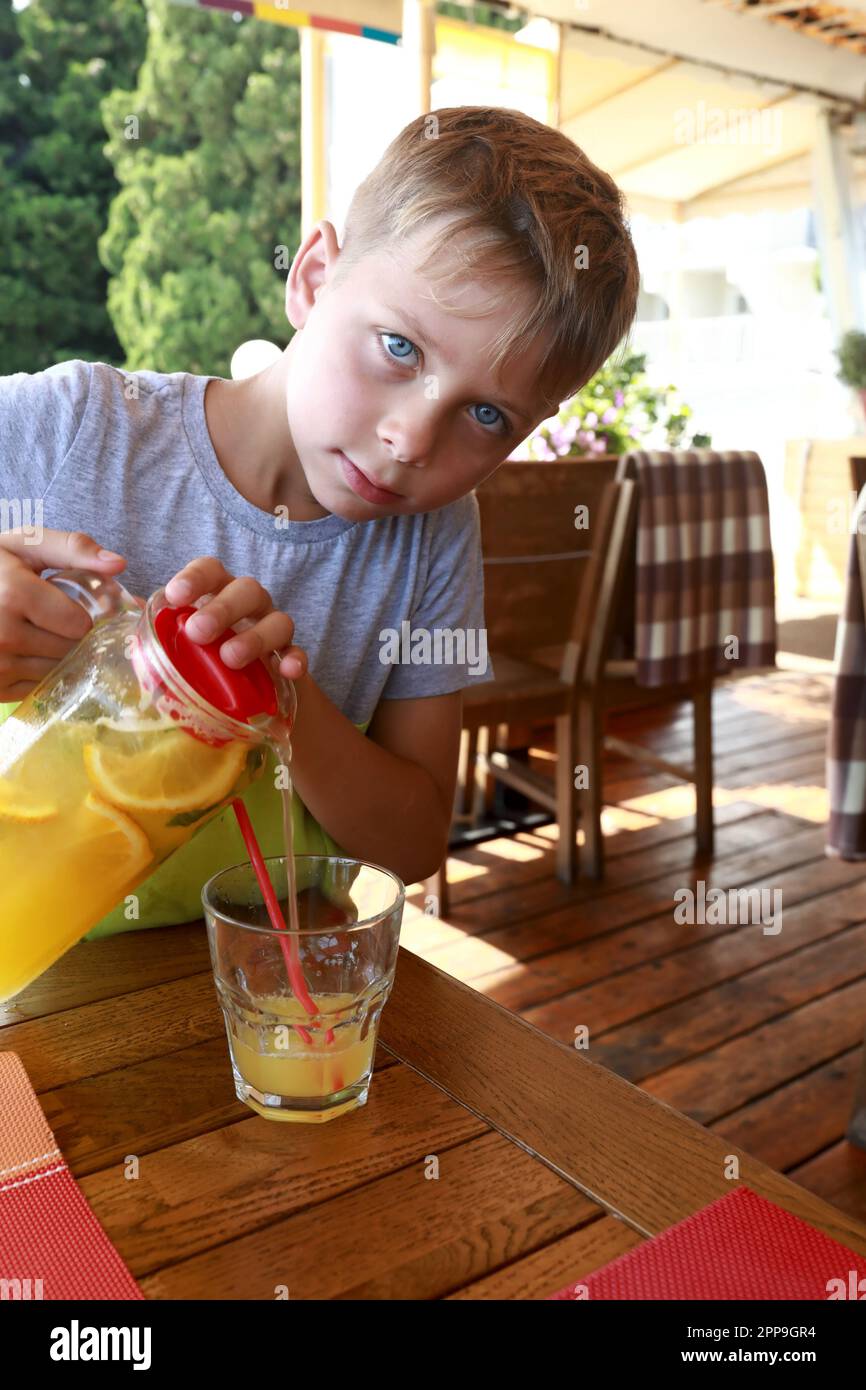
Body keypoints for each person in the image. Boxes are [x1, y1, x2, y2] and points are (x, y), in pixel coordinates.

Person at [0, 105, 639, 935]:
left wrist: (283, 703)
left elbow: (413, 842)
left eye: (487, 416)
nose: (410, 440)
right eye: (399, 348)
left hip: (246, 985)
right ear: (312, 278)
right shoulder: (71, 428)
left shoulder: (433, 537)